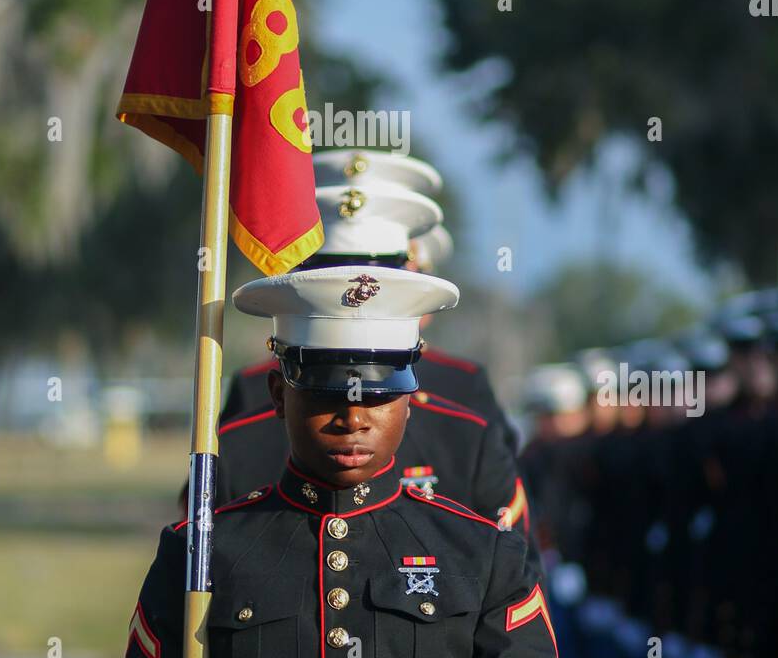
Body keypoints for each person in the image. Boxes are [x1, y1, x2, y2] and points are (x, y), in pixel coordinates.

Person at [112, 265, 574, 658]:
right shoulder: (200, 554)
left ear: (409, 397)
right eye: (326, 393)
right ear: (278, 394)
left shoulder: (482, 556)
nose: (352, 418)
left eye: (377, 394)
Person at [200, 150, 533, 541]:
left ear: (411, 275)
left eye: (375, 279)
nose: (353, 289)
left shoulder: (467, 433)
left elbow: (506, 564)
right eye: (329, 273)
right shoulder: (240, 442)